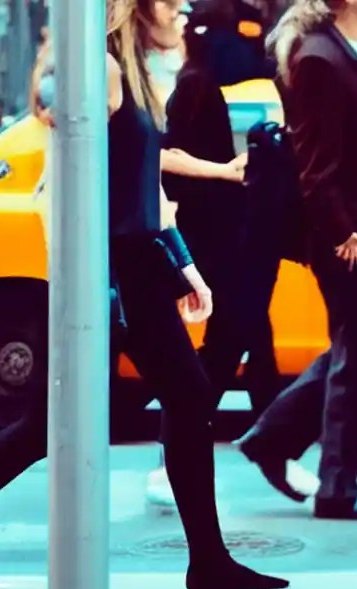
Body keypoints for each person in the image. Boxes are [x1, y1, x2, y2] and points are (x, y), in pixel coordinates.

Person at [0, 0, 289, 589]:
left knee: (187, 395)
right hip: (105, 268)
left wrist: (183, 265)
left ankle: (208, 560)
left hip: (135, 263)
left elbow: (145, 171)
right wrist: (102, 275)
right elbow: (60, 154)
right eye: (168, 2)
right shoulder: (93, 67)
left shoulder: (129, 71)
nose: (180, 11)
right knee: (48, 427)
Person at [237, 0, 357, 520]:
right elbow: (316, 166)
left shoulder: (347, 54)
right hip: (346, 237)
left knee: (356, 352)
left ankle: (273, 439)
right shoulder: (319, 58)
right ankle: (336, 487)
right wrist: (343, 232)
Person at [147, 0, 306, 507]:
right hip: (210, 242)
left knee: (253, 345)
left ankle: (275, 448)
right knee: (221, 355)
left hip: (227, 240)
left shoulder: (203, 83)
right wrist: (226, 171)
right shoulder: (194, 84)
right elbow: (162, 155)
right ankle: (184, 460)